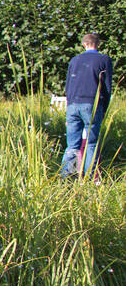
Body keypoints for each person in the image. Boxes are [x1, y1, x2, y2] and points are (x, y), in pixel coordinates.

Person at [59, 32, 113, 179]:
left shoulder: (74, 60)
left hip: (73, 104)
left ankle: (65, 177)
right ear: (98, 44)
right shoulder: (104, 60)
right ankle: (90, 178)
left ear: (84, 44)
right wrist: (104, 108)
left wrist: (69, 106)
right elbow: (107, 88)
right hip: (92, 104)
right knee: (91, 143)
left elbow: (68, 86)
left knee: (72, 145)